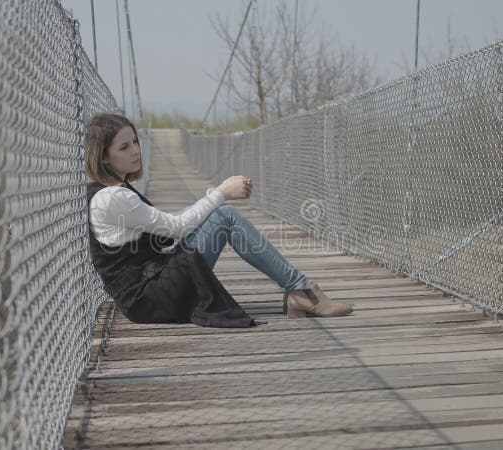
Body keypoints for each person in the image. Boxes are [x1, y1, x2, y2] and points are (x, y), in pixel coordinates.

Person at [85, 113, 353, 328]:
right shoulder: (112, 198)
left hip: (148, 289)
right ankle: (300, 291)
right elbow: (176, 228)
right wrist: (220, 194)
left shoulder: (110, 192)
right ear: (104, 157)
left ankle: (299, 291)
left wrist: (209, 202)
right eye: (124, 147)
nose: (135, 150)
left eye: (134, 141)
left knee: (217, 213)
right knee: (224, 214)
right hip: (150, 297)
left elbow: (165, 225)